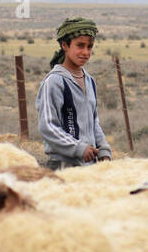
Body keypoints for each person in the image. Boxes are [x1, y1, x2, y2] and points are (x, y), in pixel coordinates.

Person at [36, 16, 113, 169]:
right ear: (65, 45)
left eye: (89, 47)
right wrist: (78, 148)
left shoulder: (89, 80)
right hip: (63, 166)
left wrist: (103, 148)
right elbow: (48, 126)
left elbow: (93, 121)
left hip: (88, 165)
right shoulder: (54, 81)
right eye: (80, 45)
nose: (85, 52)